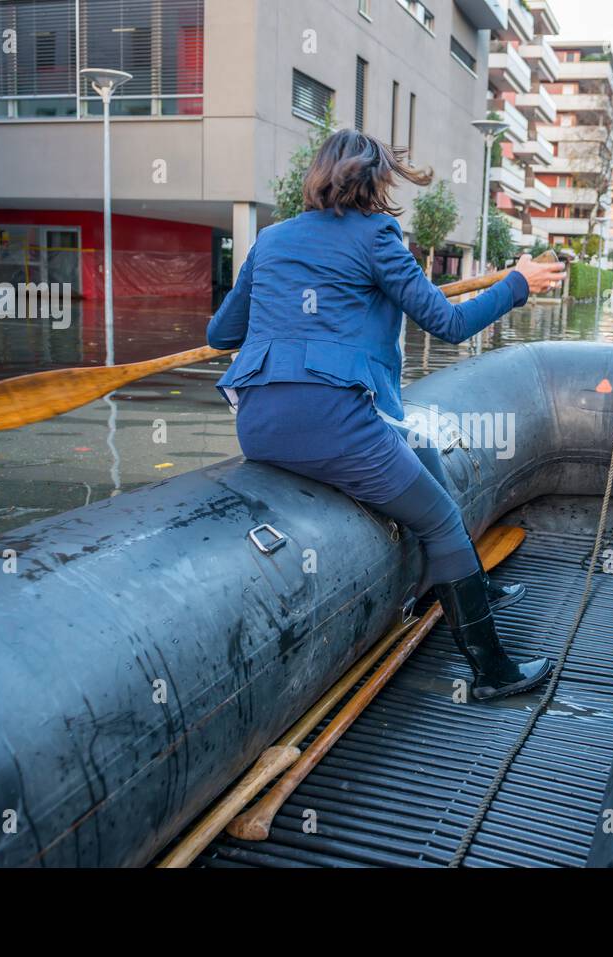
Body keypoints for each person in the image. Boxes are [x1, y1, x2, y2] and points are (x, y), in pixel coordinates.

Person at [206, 129, 566, 702]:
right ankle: (492, 672)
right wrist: (516, 285)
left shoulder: (270, 241)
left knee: (420, 451)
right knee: (441, 518)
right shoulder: (377, 236)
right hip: (331, 423)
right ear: (375, 183)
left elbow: (219, 334)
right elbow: (446, 325)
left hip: (257, 423)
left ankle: (466, 585)